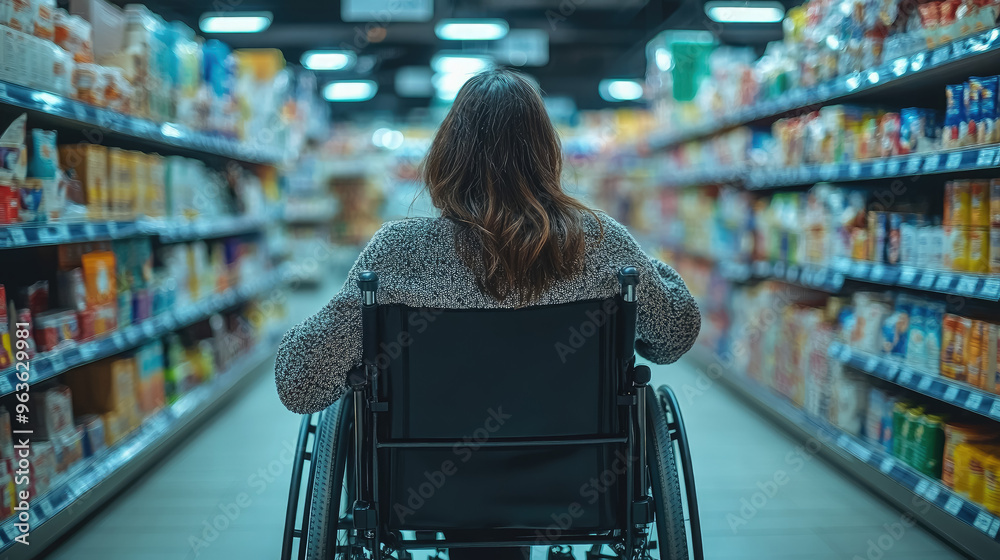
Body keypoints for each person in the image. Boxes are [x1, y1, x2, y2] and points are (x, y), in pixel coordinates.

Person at [275, 68, 701, 559]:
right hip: (576, 489)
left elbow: (300, 383)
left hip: (423, 491)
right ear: (548, 155)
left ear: (445, 156)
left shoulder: (397, 253)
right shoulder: (603, 245)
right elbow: (674, 336)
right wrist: (657, 270)